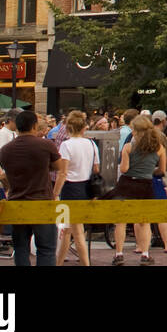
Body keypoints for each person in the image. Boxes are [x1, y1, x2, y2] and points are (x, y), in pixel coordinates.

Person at [0, 110, 64, 267]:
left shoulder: (6, 149)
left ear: (17, 127)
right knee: (46, 249)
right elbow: (58, 166)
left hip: (16, 202)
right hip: (42, 201)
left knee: (21, 248)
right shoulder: (45, 145)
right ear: (34, 126)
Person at [108, 115, 167, 265]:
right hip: (146, 184)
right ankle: (145, 254)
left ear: (135, 131)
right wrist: (148, 171)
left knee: (120, 221)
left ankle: (119, 253)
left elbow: (124, 168)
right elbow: (162, 170)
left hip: (127, 183)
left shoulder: (129, 147)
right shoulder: (159, 148)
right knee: (144, 221)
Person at [55, 110, 98, 266]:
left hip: (70, 187)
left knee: (69, 229)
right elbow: (96, 169)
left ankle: (73, 263)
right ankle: (67, 262)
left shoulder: (66, 145)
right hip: (85, 187)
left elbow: (63, 172)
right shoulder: (92, 144)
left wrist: (55, 193)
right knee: (74, 229)